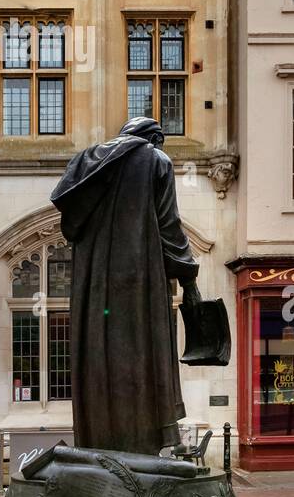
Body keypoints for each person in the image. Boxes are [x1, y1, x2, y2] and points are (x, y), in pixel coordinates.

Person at [50, 115, 201, 455]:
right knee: (142, 352)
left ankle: (101, 441)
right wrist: (188, 275)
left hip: (95, 287)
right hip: (140, 279)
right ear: (155, 138)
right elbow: (169, 225)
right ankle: (144, 442)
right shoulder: (156, 160)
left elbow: (70, 225)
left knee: (101, 354)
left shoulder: (86, 163)